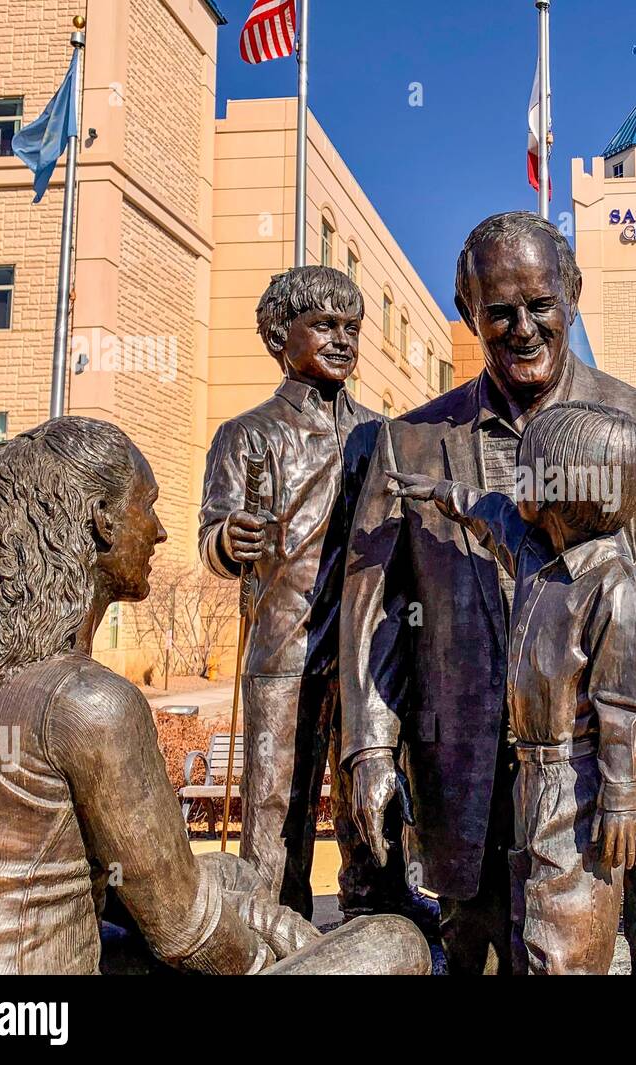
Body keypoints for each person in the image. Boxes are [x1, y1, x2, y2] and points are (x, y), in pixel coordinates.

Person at [342, 211, 636, 975]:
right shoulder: (412, 442)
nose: (522, 328)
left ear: (573, 293)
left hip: (604, 721)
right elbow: (373, 611)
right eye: (498, 312)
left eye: (541, 305)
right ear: (469, 313)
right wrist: (368, 745)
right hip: (467, 735)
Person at [0, 417, 428, 975]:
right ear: (103, 522)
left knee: (233, 876)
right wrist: (289, 956)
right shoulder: (87, 703)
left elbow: (118, 881)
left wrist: (269, 923)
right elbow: (186, 931)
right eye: (147, 505)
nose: (159, 531)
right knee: (394, 943)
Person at [388, 402, 636, 974]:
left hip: (579, 781)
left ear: (576, 489)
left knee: (563, 925)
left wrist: (623, 794)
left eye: (532, 471)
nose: (518, 482)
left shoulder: (616, 587)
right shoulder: (539, 558)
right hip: (530, 774)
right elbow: (489, 513)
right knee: (527, 910)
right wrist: (438, 492)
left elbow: (623, 706)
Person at [199, 265, 403, 920]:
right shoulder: (247, 434)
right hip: (281, 642)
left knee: (369, 781)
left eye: (352, 327)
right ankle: (270, 913)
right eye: (323, 325)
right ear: (279, 335)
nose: (342, 339)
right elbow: (212, 533)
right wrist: (232, 539)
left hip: (365, 646)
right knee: (273, 794)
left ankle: (377, 904)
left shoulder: (382, 434)